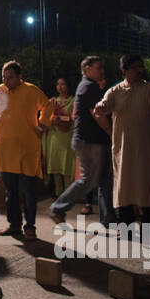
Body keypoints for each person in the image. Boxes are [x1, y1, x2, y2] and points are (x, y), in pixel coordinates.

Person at [92, 54, 150, 226]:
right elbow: (105, 104)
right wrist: (101, 107)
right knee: (123, 188)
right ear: (124, 70)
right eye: (135, 68)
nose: (140, 71)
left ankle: (147, 229)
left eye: (141, 67)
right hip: (123, 149)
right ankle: (126, 228)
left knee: (146, 188)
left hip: (146, 149)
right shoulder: (115, 91)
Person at [0, 60, 52, 240]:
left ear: (19, 77)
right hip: (5, 150)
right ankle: (14, 226)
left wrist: (42, 126)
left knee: (29, 191)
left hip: (27, 150)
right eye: (4, 78)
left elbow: (48, 106)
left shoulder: (31, 91)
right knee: (11, 192)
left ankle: (30, 227)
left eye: (11, 77)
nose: (7, 81)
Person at [51, 57, 113, 224]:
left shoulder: (92, 87)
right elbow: (98, 114)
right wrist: (112, 134)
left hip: (96, 140)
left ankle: (109, 219)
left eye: (102, 68)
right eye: (98, 68)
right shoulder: (88, 87)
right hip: (89, 141)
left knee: (105, 181)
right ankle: (58, 207)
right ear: (87, 70)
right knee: (89, 180)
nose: (102, 71)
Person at [44, 76, 75, 199]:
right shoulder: (52, 102)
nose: (60, 87)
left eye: (63, 84)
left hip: (67, 137)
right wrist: (52, 120)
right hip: (54, 138)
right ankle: (58, 194)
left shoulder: (73, 101)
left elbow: (72, 119)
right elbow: (46, 119)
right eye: (58, 84)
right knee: (56, 170)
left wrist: (60, 120)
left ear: (68, 86)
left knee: (66, 168)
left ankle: (68, 196)